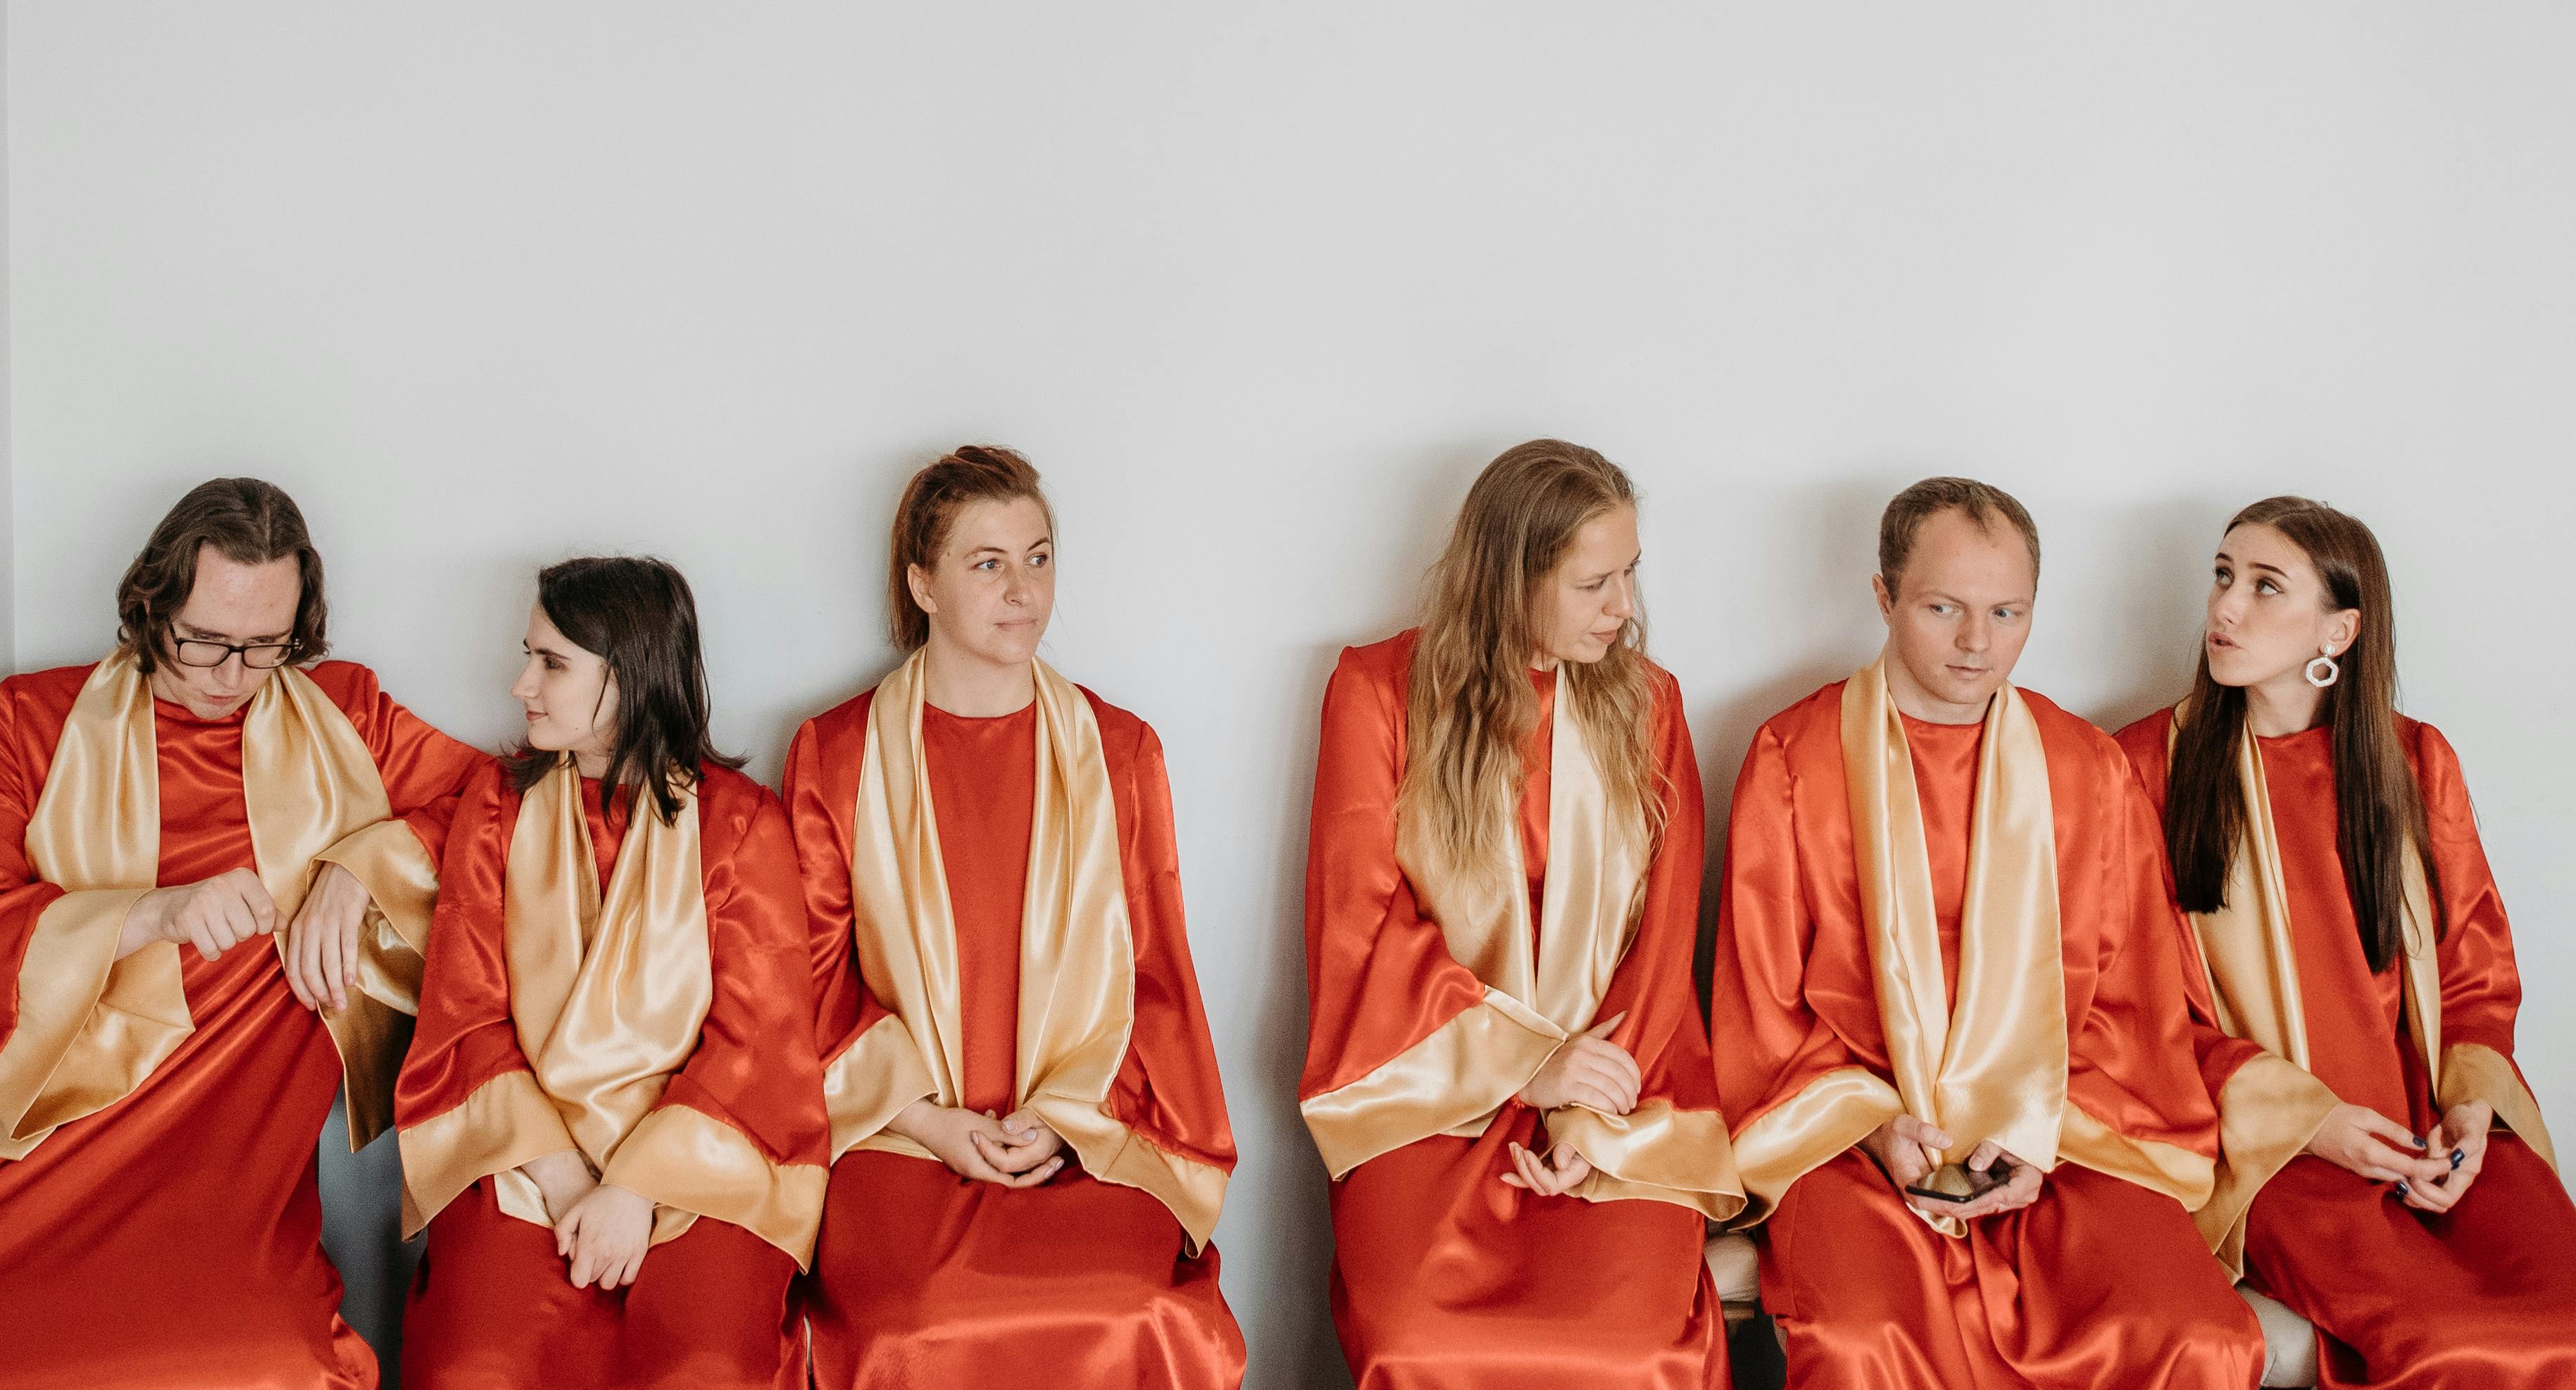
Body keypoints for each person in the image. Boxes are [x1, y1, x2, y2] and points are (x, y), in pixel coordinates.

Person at [0, 477, 489, 1388]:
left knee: (274, 1365)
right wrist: (149, 912)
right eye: (204, 641)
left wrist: (365, 865)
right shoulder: (29, 720)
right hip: (22, 1156)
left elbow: (505, 802)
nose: (232, 676)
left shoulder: (346, 720)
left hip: (220, 1187)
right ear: (150, 603)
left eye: (264, 646)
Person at [1712, 476, 2261, 1390]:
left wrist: (2030, 1128)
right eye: (1942, 607)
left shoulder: (2083, 766)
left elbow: (2134, 1008)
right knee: (1862, 1340)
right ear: (1883, 594)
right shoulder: (1792, 757)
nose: (1977, 641)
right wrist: (1878, 1122)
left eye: (2007, 611)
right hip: (1855, 1133)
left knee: (2192, 1334)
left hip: (2066, 1128)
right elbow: (1758, 1011)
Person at [2115, 499, 2576, 1390]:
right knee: (2443, 1342)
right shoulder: (2143, 769)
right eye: (2222, 576)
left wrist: (2473, 1114)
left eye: (2263, 586)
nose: (2224, 608)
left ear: (2341, 627)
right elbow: (2135, 1014)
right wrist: (2314, 1121)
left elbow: (2475, 973)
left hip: (2430, 1127)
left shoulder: (2415, 762)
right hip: (2271, 1148)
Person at [783, 445, 1247, 1390]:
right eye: (985, 562)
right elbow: (809, 979)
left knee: (1126, 1305)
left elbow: (1153, 975)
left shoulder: (1119, 750)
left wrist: (1065, 1118)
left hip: (1086, 1127)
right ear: (920, 580)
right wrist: (932, 1120)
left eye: (1037, 557)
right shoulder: (834, 752)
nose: (1023, 590)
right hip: (895, 1131)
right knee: (911, 1318)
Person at [1299, 438, 1744, 1390]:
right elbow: (1359, 924)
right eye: (1593, 582)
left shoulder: (1648, 703)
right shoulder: (1376, 693)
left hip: (1618, 1078)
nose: (1624, 607)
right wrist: (1522, 1063)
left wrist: (1586, 1104)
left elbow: (1661, 944)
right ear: (1512, 577)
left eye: (1629, 573)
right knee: (1416, 1337)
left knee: (1626, 1344)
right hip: (1426, 1088)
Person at [394, 556, 829, 1389]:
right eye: (530, 654)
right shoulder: (496, 807)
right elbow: (469, 1019)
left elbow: (758, 1043)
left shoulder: (741, 824)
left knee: (703, 1367)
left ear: (630, 675)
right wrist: (566, 1183)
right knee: (475, 1366)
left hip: (705, 1163)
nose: (520, 684)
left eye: (552, 662)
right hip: (528, 1156)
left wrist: (633, 1187)